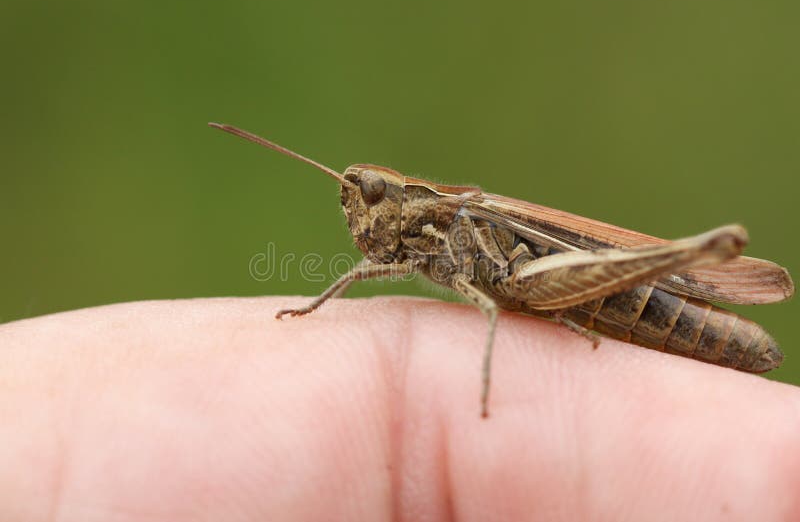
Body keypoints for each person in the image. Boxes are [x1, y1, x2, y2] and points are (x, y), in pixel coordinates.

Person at [0, 296, 797, 521]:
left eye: (372, 194)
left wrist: (492, 375)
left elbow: (495, 301)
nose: (360, 209)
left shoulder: (458, 227)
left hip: (624, 289)